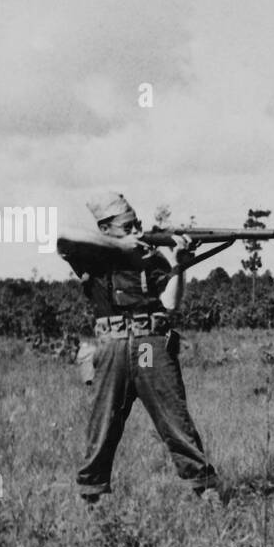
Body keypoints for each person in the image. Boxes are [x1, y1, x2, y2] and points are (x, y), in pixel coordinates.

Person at [56, 192, 220, 504]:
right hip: (113, 346)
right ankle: (91, 497)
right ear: (105, 229)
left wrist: (179, 265)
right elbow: (64, 236)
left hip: (152, 343)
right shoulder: (90, 255)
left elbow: (170, 303)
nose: (136, 231)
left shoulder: (151, 258)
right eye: (127, 226)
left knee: (176, 422)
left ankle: (205, 489)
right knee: (103, 425)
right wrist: (120, 246)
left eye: (137, 225)